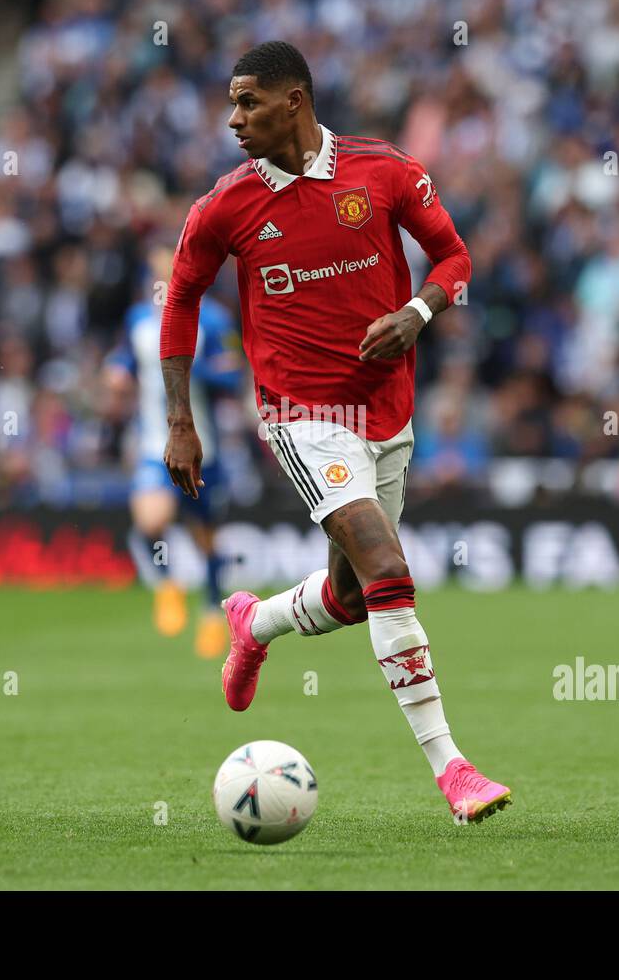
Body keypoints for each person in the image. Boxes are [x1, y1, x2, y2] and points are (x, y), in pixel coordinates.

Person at [159, 41, 510, 823]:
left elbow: (454, 257)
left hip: (388, 410)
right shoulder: (225, 204)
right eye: (231, 102)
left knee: (354, 596)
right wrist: (180, 419)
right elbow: (180, 299)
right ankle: (452, 769)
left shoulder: (381, 171)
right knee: (386, 562)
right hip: (302, 415)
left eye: (248, 102)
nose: (233, 118)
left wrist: (419, 313)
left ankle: (257, 621)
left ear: (295, 101)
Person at [106, 244, 241, 657]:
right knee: (150, 521)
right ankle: (168, 584)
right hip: (154, 444)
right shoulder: (138, 321)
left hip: (205, 449)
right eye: (156, 270)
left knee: (206, 541)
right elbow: (124, 365)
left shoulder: (213, 319)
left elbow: (233, 377)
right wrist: (115, 375)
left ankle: (211, 613)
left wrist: (190, 365)